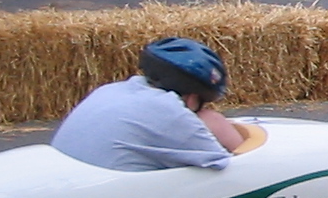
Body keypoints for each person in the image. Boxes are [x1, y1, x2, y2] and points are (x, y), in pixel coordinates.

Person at [53, 37, 244, 171]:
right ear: (193, 98)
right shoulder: (169, 113)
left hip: (68, 183)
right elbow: (232, 171)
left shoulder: (110, 90)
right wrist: (215, 122)